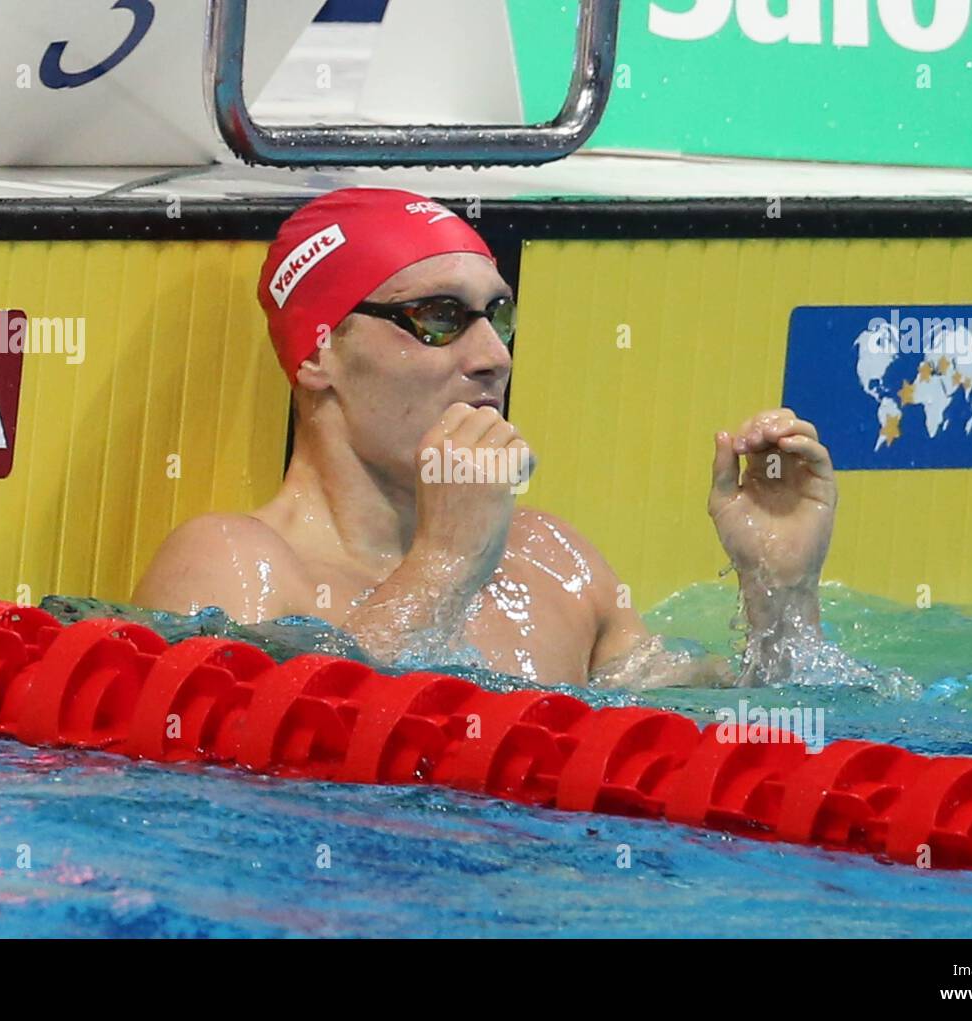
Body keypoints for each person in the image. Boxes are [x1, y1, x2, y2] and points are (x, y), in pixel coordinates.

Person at [133, 188, 838, 689]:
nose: (492, 357)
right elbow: (259, 769)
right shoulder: (232, 562)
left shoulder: (554, 560)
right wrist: (446, 557)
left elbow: (738, 741)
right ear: (317, 353)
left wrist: (780, 591)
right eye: (439, 317)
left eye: (497, 318)